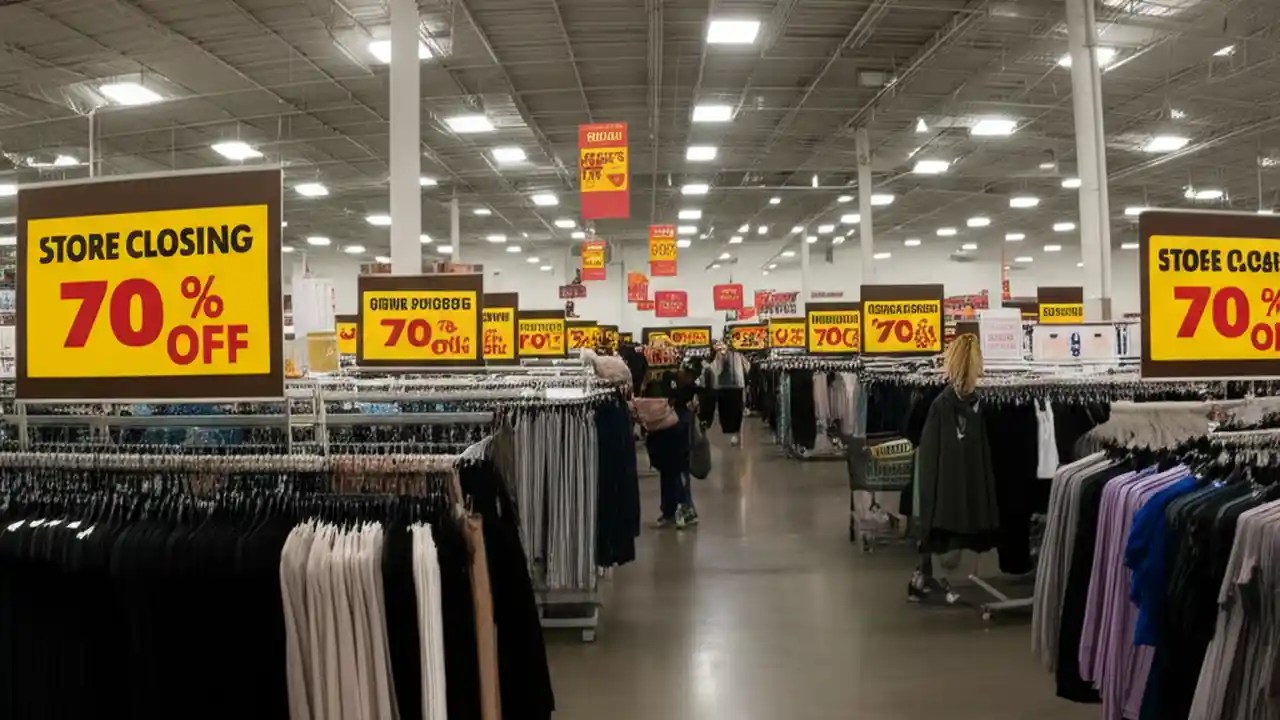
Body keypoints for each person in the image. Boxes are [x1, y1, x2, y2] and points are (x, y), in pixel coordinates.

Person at [643, 361, 700, 529]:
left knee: (677, 472)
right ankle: (671, 511)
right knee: (670, 472)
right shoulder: (670, 384)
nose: (679, 373)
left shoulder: (687, 392)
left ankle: (684, 509)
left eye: (683, 371)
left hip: (675, 433)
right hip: (665, 433)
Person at [702, 341, 749, 446]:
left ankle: (733, 433)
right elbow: (747, 368)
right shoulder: (737, 355)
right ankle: (735, 434)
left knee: (729, 412)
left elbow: (713, 369)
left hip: (725, 387)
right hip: (734, 387)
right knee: (734, 412)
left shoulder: (722, 356)